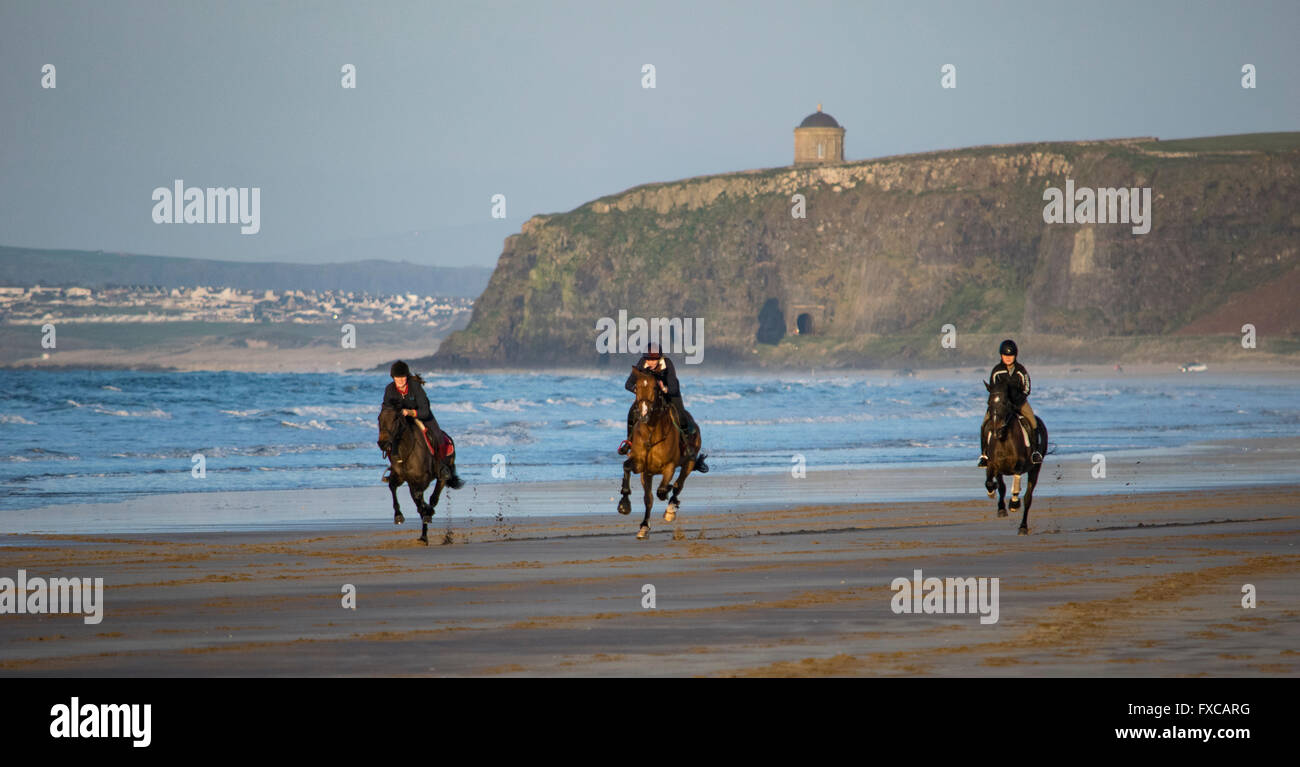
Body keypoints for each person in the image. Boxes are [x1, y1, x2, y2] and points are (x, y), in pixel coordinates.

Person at [617, 342, 698, 456]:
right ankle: (629, 442)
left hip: (670, 393)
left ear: (660, 358)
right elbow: (628, 384)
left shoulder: (667, 364)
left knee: (680, 414)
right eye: (648, 359)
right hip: (649, 397)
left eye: (654, 360)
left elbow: (674, 387)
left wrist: (664, 388)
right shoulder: (641, 363)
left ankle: (686, 443)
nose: (651, 362)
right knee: (632, 412)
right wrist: (639, 391)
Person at [979, 339, 1041, 466]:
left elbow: (1027, 389)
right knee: (985, 424)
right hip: (1001, 405)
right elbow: (993, 389)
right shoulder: (997, 371)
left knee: (1032, 422)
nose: (1008, 358)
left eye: (1010, 355)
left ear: (1015, 355)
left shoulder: (1021, 370)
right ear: (1001, 355)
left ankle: (1035, 452)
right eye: (1005, 355)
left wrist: (1017, 401)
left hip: (1019, 402)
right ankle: (984, 455)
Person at [381, 360, 444, 458]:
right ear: (393, 378)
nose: (400, 380)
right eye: (397, 377)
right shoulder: (389, 389)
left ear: (407, 376)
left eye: (403, 377)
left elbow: (425, 411)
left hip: (421, 416)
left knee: (438, 436)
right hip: (401, 419)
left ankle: (441, 466)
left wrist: (410, 412)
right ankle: (394, 465)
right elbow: (386, 409)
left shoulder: (415, 386)